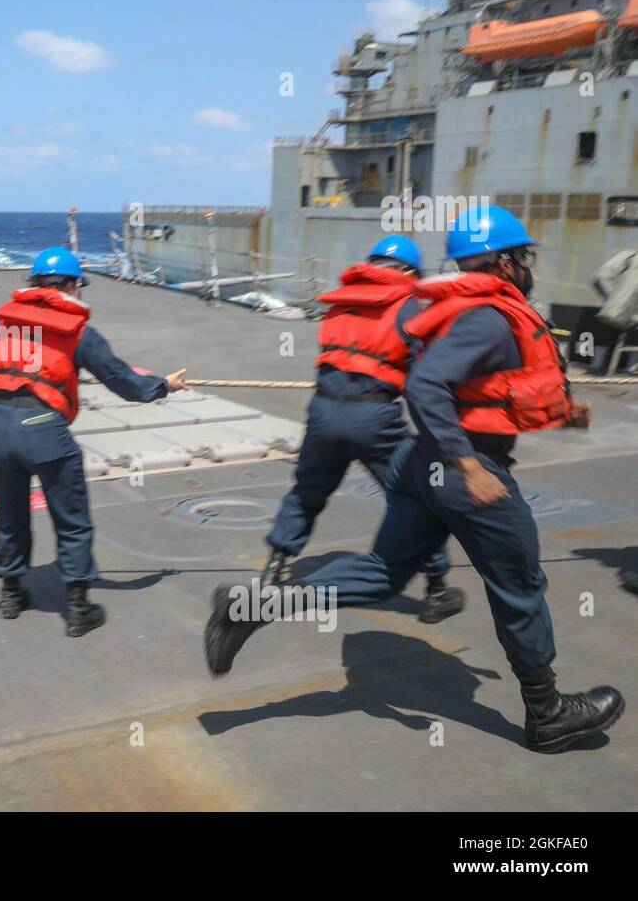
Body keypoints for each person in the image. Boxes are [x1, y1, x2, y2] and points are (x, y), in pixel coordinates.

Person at [204, 206, 625, 754]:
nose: (528, 266)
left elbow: (488, 391)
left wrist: (564, 413)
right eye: (524, 257)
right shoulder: (490, 317)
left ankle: (250, 608)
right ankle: (548, 714)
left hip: (417, 463)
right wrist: (469, 466)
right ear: (504, 262)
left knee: (382, 574)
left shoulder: (459, 309)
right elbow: (427, 386)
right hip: (465, 470)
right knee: (519, 586)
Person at [0, 246, 188, 636]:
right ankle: (77, 608)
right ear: (72, 286)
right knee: (70, 519)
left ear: (34, 284)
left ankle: (10, 594)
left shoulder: (0, 322)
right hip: (43, 427)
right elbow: (121, 379)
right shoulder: (78, 329)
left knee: (11, 514)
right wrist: (164, 386)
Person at [266, 235, 463, 623]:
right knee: (418, 497)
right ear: (408, 272)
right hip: (374, 418)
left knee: (307, 492)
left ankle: (272, 574)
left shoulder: (340, 301)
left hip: (322, 410)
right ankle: (437, 590)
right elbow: (424, 374)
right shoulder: (409, 308)